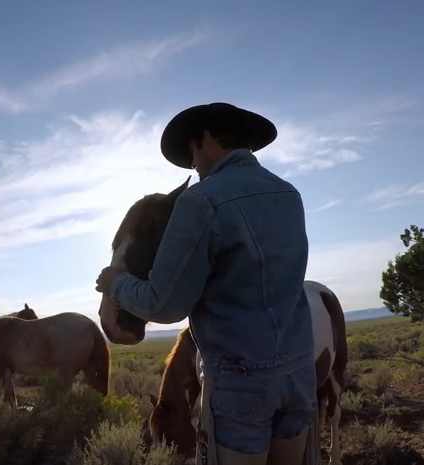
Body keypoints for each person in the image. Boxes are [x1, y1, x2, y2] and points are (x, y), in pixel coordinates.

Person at [95, 102, 316, 465]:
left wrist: (116, 282)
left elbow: (163, 305)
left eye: (192, 153)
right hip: (299, 373)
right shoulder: (288, 194)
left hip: (241, 382)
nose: (193, 166)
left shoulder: (201, 201)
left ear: (207, 139)